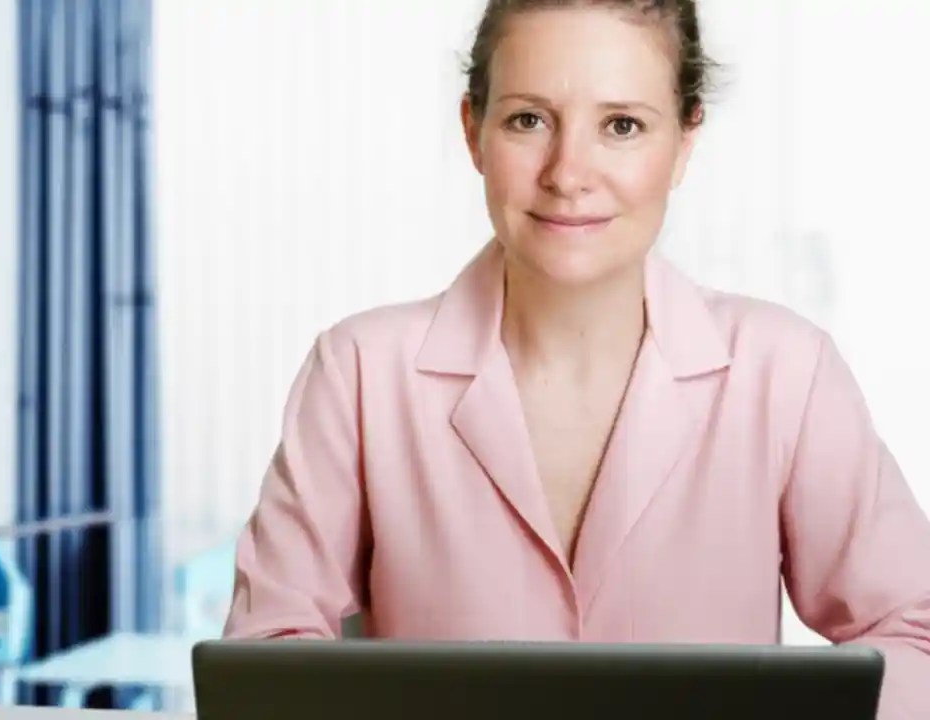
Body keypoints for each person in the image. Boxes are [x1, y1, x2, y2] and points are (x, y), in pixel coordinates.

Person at [221, 0, 930, 716]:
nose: (569, 173)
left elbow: (915, 631)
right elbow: (266, 652)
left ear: (685, 141)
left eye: (622, 126)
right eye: (528, 120)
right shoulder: (359, 373)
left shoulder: (784, 371)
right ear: (473, 131)